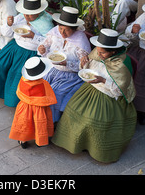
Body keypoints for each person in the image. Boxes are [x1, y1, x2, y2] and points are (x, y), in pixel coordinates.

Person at [52, 29, 137, 164]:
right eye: (98, 51)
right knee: (71, 109)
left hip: (108, 96)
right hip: (90, 89)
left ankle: (95, 150)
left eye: (103, 52)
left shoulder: (120, 65)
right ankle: (75, 143)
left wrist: (103, 80)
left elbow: (120, 90)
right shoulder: (97, 53)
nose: (99, 54)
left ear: (113, 52)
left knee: (93, 120)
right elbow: (85, 70)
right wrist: (84, 62)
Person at [0, 0, 54, 107]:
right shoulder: (21, 16)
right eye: (25, 13)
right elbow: (7, 33)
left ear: (39, 12)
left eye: (30, 15)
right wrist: (8, 24)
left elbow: (50, 44)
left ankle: (13, 101)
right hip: (15, 47)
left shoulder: (46, 23)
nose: (27, 16)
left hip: (30, 52)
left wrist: (33, 36)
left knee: (16, 74)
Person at [37, 6, 91, 122]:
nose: (62, 32)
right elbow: (45, 45)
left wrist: (67, 63)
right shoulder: (55, 33)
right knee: (38, 87)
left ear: (75, 29)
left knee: (54, 94)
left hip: (69, 76)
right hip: (51, 69)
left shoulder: (81, 41)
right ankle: (36, 117)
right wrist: (42, 49)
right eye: (61, 28)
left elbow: (84, 67)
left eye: (67, 30)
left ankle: (50, 122)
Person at [9, 56, 57, 149]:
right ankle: (39, 141)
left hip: (24, 107)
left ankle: (23, 140)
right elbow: (49, 98)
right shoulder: (43, 84)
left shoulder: (23, 80)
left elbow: (18, 91)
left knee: (25, 125)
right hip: (39, 109)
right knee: (39, 125)